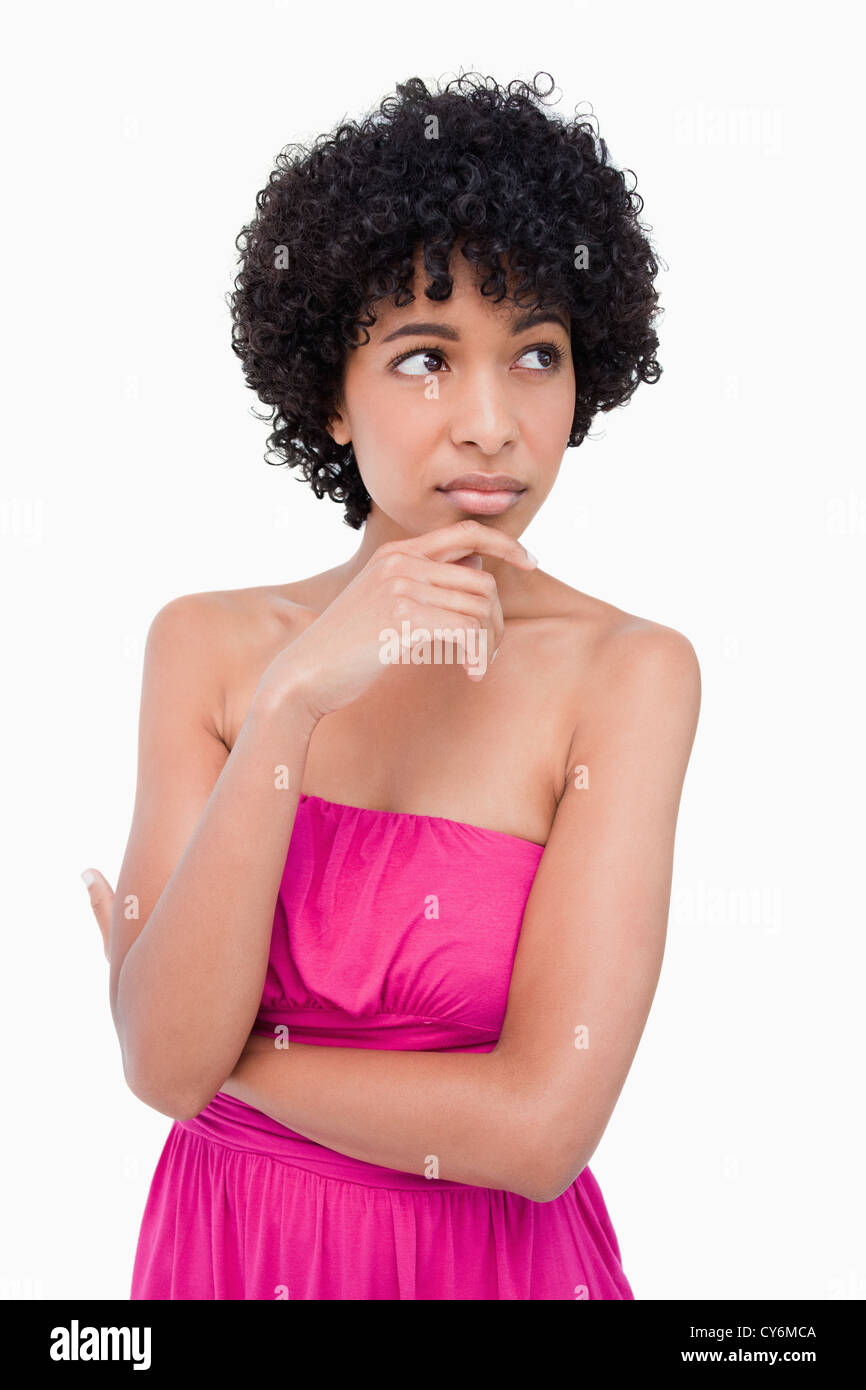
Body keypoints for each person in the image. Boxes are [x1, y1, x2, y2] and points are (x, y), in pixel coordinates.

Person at [82, 72, 700, 1300]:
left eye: (535, 353)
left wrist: (224, 1062)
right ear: (329, 388)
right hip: (224, 1258)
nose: (490, 422)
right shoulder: (209, 649)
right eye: (425, 358)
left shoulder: (626, 675)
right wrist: (294, 699)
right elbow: (158, 1060)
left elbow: (537, 1133)